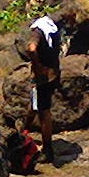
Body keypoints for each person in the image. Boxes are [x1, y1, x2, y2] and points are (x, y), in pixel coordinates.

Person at [22, 15, 60, 165]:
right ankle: (23, 132)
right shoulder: (50, 24)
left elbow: (31, 49)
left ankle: (48, 150)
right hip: (54, 72)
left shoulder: (37, 30)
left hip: (43, 76)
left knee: (44, 112)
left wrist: (37, 65)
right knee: (35, 103)